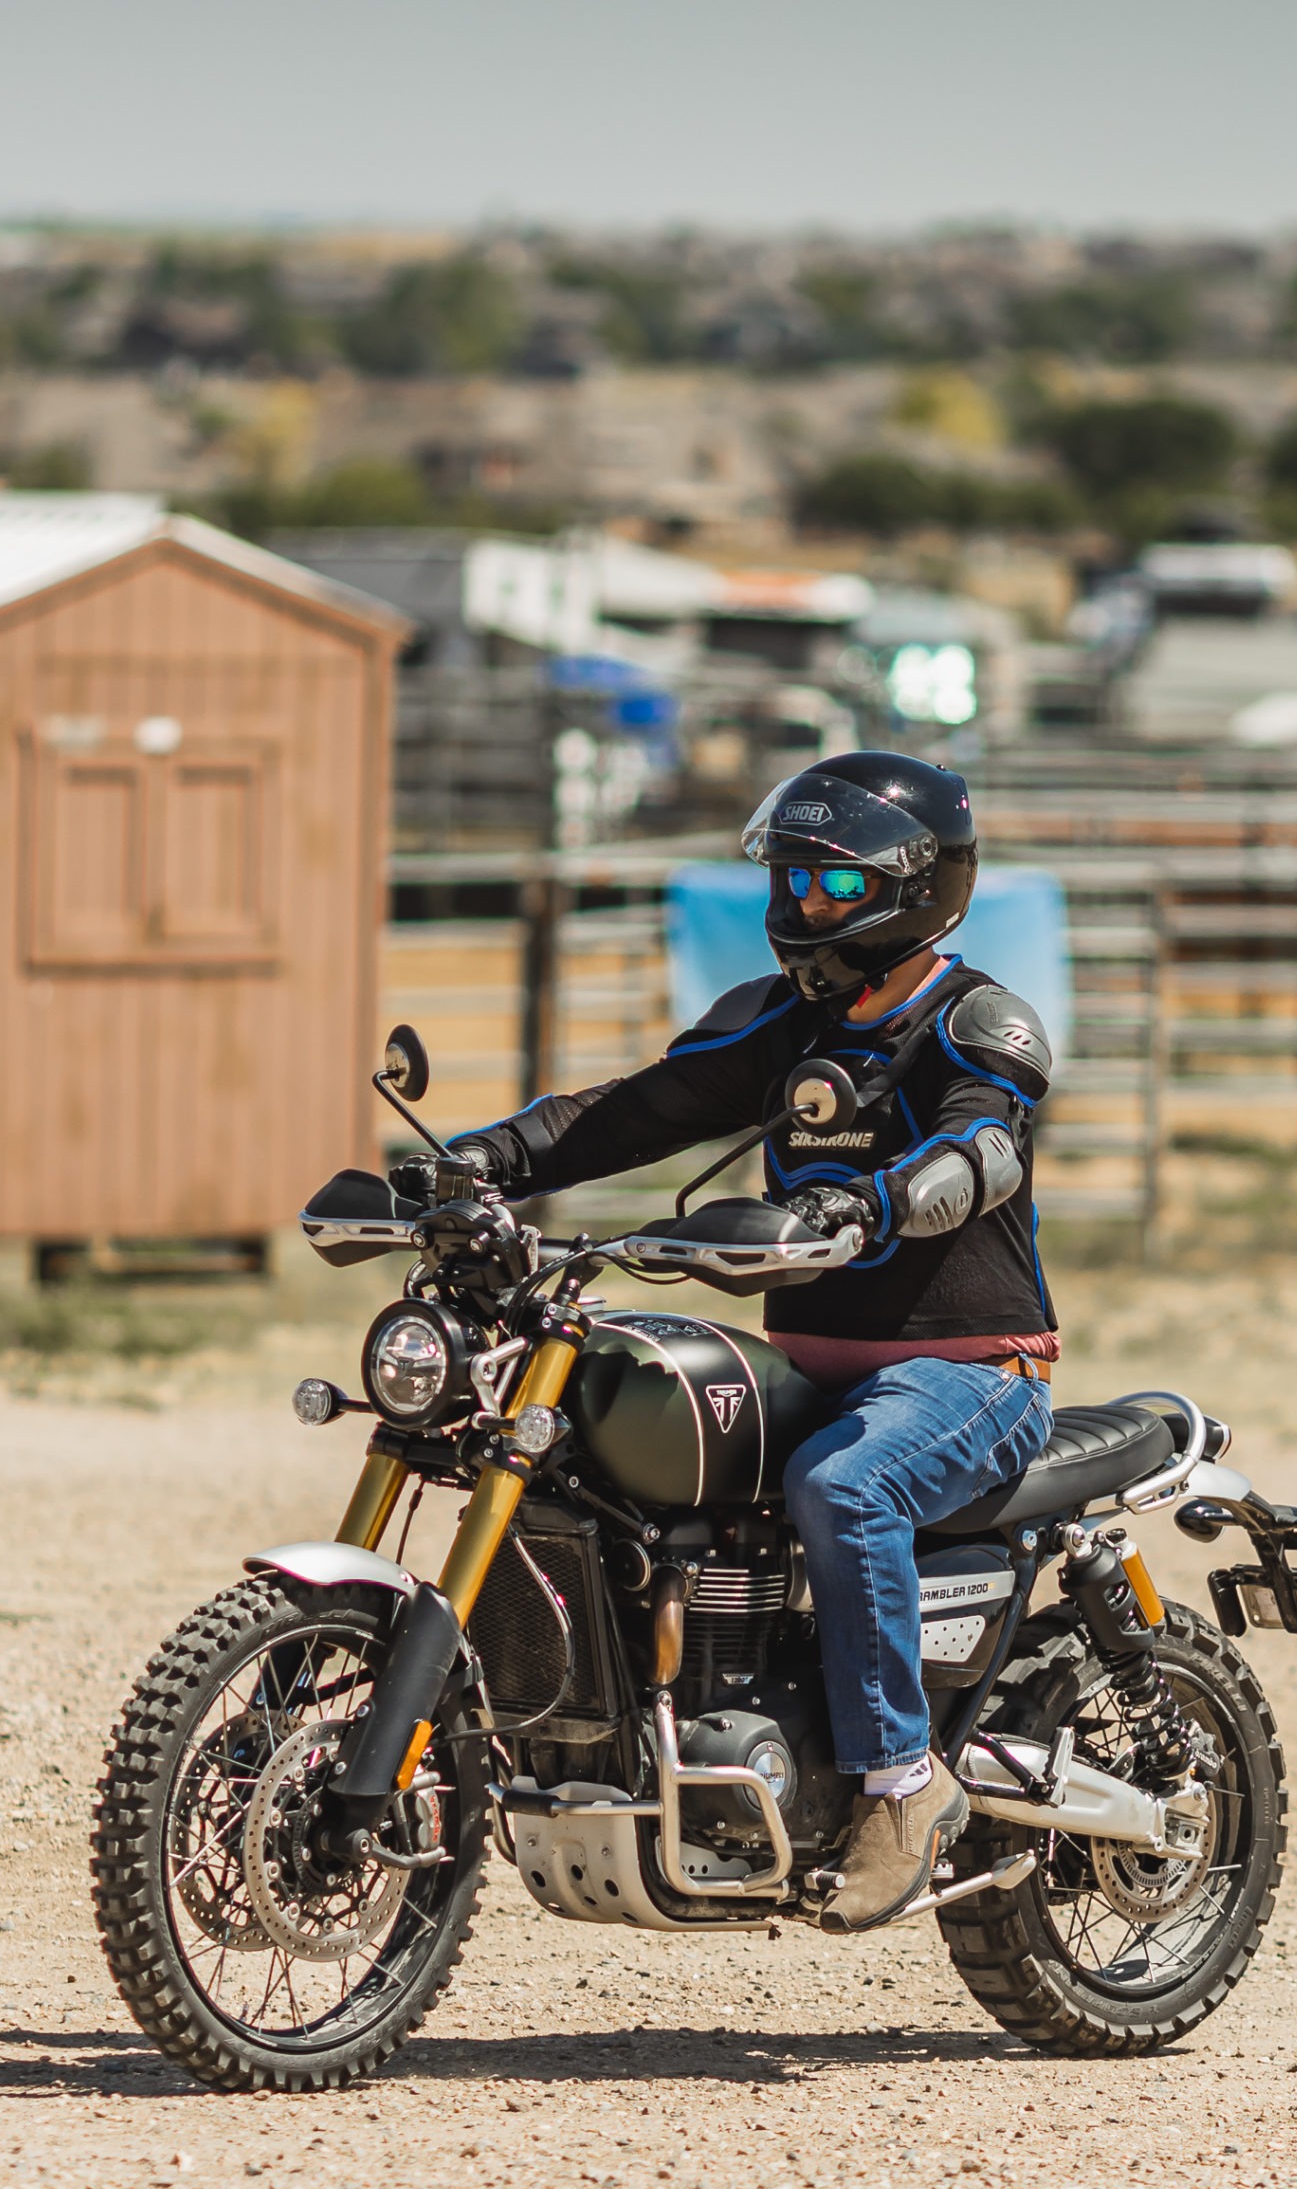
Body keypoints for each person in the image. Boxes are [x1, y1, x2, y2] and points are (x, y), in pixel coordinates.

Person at [450, 752, 1057, 1930]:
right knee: (595, 1453)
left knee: (846, 1485)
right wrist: (480, 1162)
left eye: (831, 887)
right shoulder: (781, 1024)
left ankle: (900, 1782)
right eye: (790, 882)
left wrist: (874, 1201)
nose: (801, 911)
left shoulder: (977, 1018)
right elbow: (631, 1111)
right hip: (807, 1363)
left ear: (916, 886)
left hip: (971, 1371)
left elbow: (985, 1151)